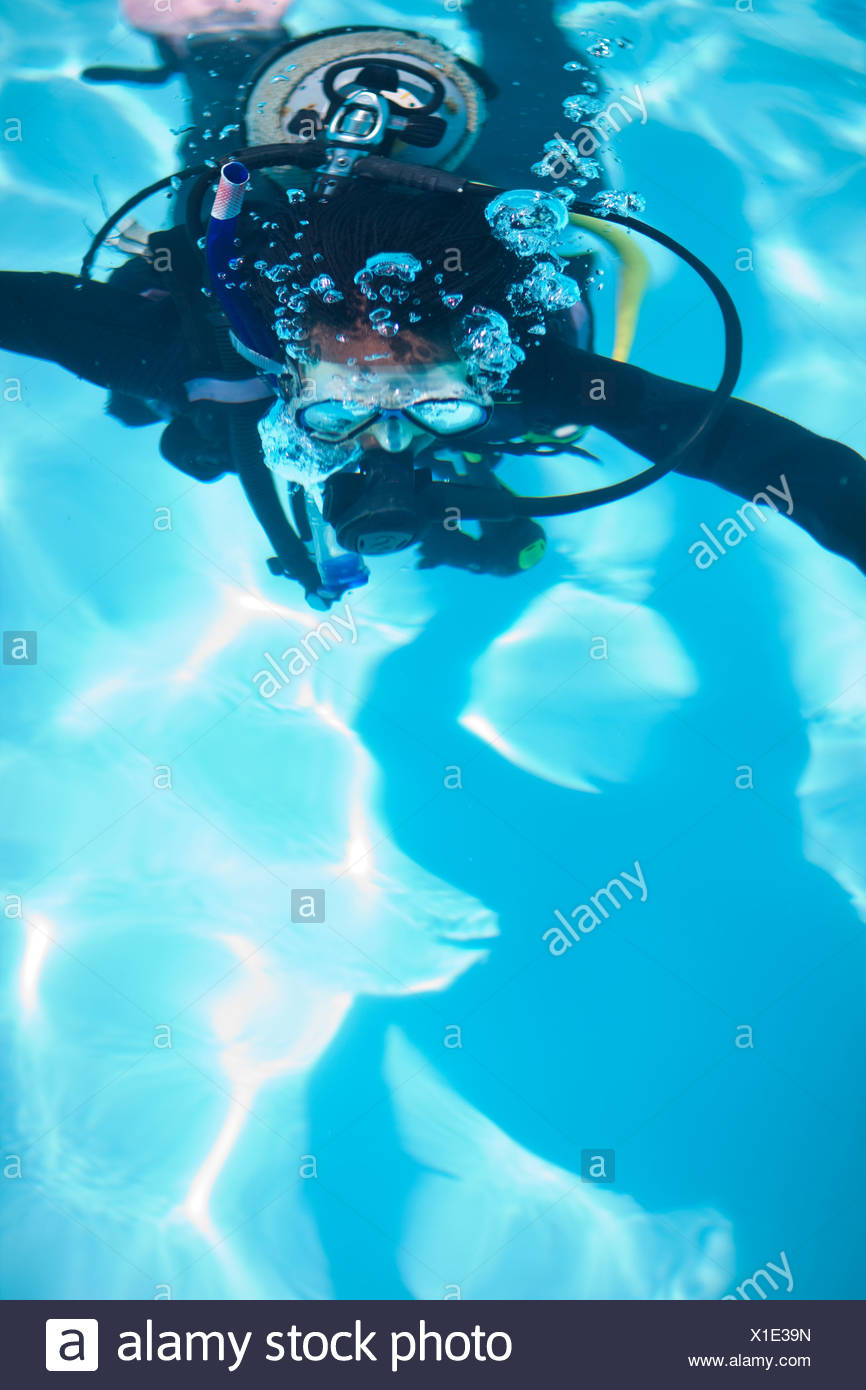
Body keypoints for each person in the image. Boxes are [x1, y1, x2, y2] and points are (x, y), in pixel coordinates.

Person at [1, 4, 864, 608]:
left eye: (343, 409)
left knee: (250, 108)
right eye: (431, 407)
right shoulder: (214, 346)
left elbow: (748, 450)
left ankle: (230, 37)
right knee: (541, 105)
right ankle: (227, 29)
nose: (386, 433)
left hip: (472, 202)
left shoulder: (518, 365)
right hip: (357, 211)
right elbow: (750, 450)